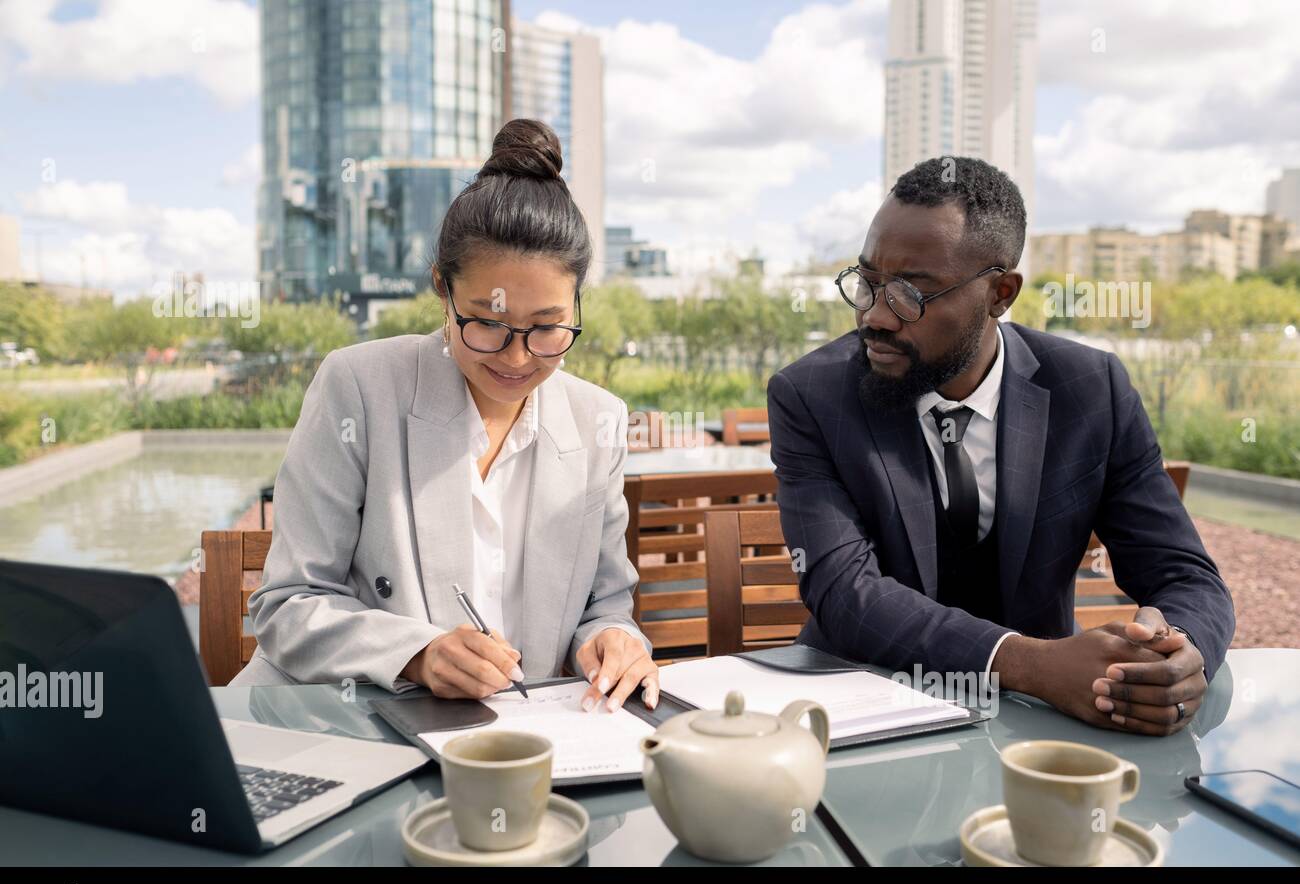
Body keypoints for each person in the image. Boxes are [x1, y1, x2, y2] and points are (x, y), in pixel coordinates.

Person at [768, 156, 1233, 736]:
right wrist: (1031, 664)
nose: (876, 316)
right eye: (868, 282)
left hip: (1043, 729)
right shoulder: (810, 395)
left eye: (912, 292)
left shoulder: (1091, 390)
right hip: (862, 710)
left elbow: (1185, 574)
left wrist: (1179, 653)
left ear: (1000, 293)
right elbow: (845, 594)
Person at [234, 119, 659, 714]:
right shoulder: (359, 386)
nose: (517, 357)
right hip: (343, 726)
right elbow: (289, 604)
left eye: (547, 327)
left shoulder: (597, 420)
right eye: (488, 321)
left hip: (510, 741)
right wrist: (417, 653)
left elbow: (604, 605)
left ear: (577, 304)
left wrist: (613, 641)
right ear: (443, 290)